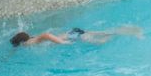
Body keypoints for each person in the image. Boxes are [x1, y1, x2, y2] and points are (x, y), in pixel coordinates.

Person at [11, 25, 141, 47]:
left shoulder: (28, 43)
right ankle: (125, 30)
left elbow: (46, 35)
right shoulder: (30, 38)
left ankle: (122, 34)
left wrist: (62, 43)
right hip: (72, 32)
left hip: (72, 36)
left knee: (102, 42)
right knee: (104, 32)